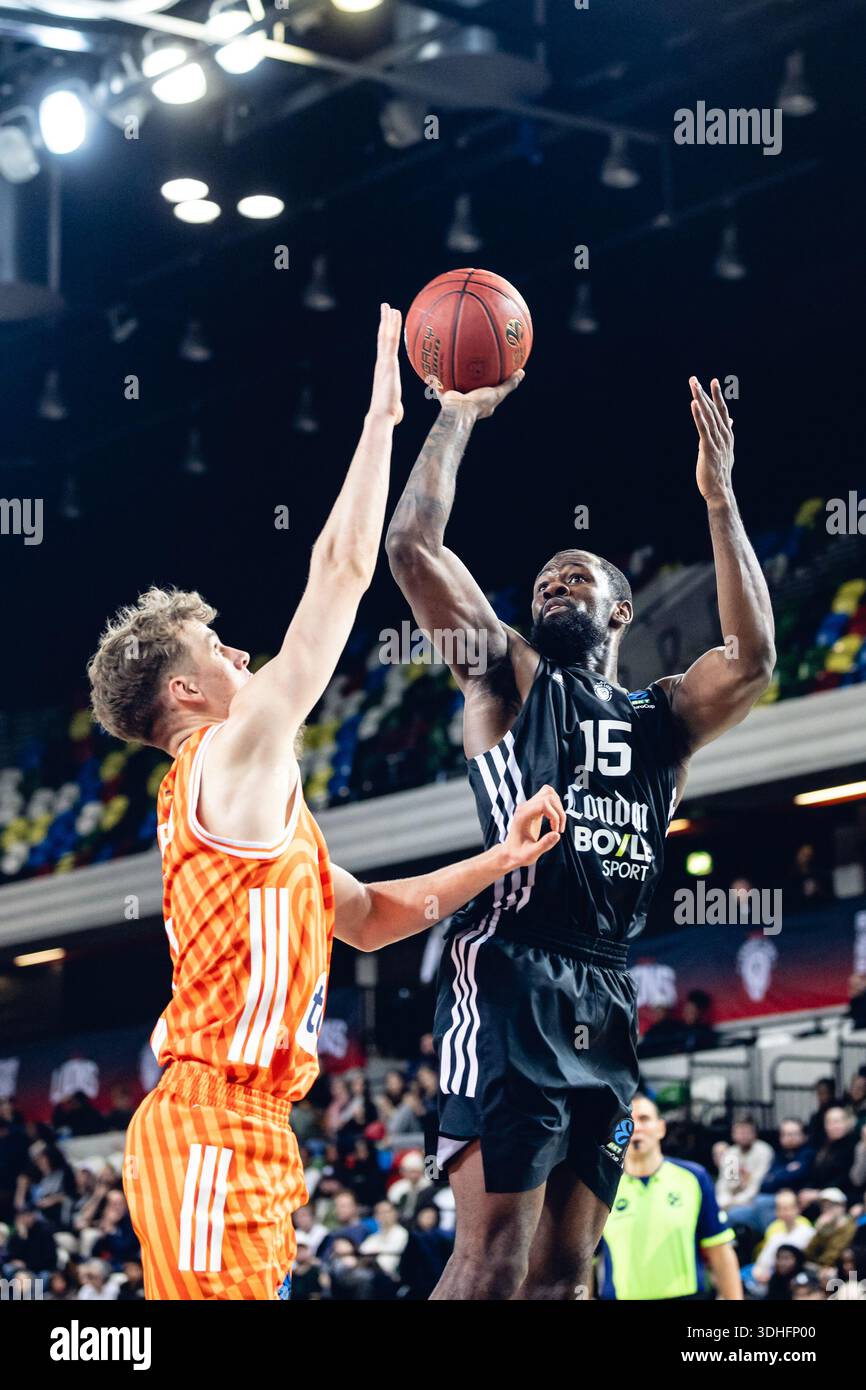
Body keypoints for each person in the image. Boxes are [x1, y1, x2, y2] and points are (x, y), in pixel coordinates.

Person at [87, 308, 565, 1301]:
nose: (242, 657)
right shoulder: (224, 757)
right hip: (212, 1122)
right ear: (183, 694)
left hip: (248, 1127)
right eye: (218, 652)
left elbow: (365, 917)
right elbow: (343, 574)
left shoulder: (259, 819)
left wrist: (499, 860)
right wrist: (384, 415)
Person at [386, 371, 775, 1300]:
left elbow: (754, 657)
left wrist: (720, 499)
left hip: (605, 980)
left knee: (565, 1272)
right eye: (546, 580)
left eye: (580, 576)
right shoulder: (505, 678)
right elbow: (410, 546)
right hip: (512, 962)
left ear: (621, 609)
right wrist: (456, 414)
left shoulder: (664, 716)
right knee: (494, 1259)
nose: (558, 583)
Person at [597, 1094, 741, 1301]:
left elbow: (719, 1249)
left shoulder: (694, 1178)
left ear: (661, 1128)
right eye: (626, 1121)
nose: (636, 1127)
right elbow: (585, 1258)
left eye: (644, 1119)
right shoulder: (603, 1184)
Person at [741, 1189, 813, 1296]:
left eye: (787, 1208)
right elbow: (763, 1261)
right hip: (769, 1274)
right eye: (780, 1209)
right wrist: (760, 1270)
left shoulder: (807, 1231)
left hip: (792, 1277)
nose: (784, 1212)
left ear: (797, 1208)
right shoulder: (774, 1231)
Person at [715, 1115, 775, 1222]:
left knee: (732, 1215)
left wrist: (733, 1203)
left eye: (746, 1132)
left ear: (754, 1134)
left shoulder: (763, 1151)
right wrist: (724, 1202)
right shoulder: (731, 1153)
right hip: (731, 1201)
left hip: (754, 1201)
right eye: (739, 1132)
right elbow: (727, 1184)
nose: (743, 1136)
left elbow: (756, 1185)